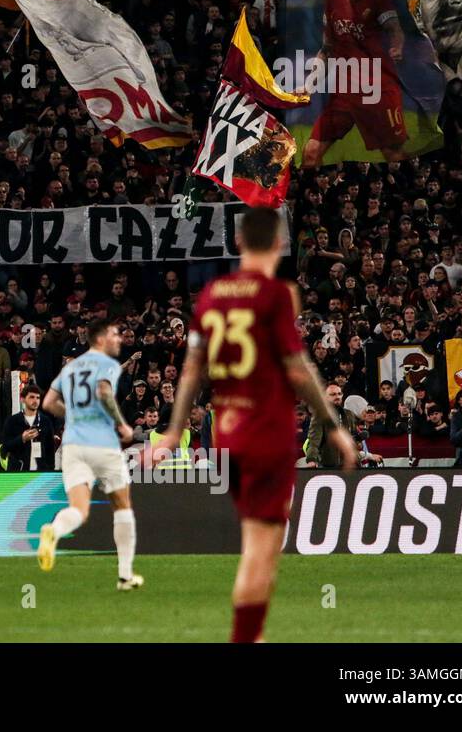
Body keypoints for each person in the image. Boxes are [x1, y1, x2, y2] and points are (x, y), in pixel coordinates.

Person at [152, 207, 357, 642]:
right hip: (267, 434)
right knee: (262, 553)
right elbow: (298, 368)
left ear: (240, 243)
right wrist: (331, 422)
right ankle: (245, 638)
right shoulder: (275, 295)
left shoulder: (210, 295)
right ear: (279, 245)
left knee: (253, 541)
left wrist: (173, 430)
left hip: (227, 436)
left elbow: (191, 369)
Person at [37, 319, 142, 591]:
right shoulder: (105, 363)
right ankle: (125, 576)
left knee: (78, 510)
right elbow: (104, 391)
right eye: (114, 335)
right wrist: (121, 423)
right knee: (122, 506)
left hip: (73, 446)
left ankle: (54, 531)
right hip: (103, 443)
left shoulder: (70, 367)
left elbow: (48, 403)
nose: (118, 339)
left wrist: (72, 415)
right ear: (99, 340)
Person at [301, 0, 409, 166]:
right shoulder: (332, 2)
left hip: (375, 89)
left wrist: (397, 47)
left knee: (394, 158)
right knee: (311, 152)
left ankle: (407, 194)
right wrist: (309, 84)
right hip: (345, 94)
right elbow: (327, 48)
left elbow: (395, 29)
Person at [0, 382, 58, 471]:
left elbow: (50, 450)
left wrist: (50, 470)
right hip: (18, 472)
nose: (35, 401)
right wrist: (22, 439)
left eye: (38, 398)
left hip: (40, 473)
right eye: (31, 397)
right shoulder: (12, 421)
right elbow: (5, 447)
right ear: (22, 399)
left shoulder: (45, 421)